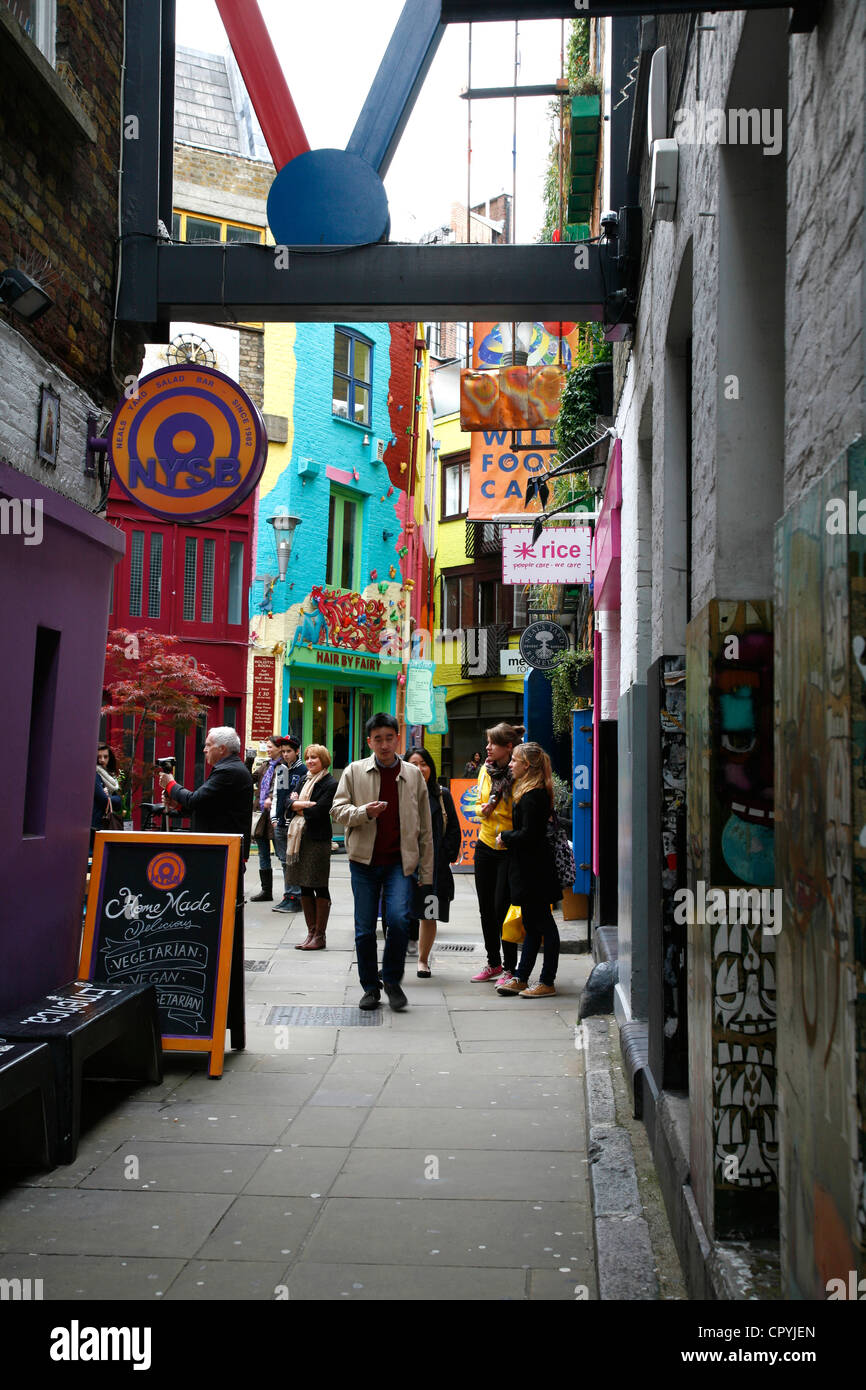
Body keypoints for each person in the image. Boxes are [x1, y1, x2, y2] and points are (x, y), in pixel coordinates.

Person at [158, 727, 255, 1047]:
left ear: (224, 749)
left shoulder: (229, 772)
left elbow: (198, 799)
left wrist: (171, 785)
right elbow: (206, 806)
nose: (204, 750)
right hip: (218, 857)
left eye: (208, 745)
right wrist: (178, 802)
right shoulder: (227, 770)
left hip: (221, 860)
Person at [331, 712, 433, 1012]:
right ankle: (370, 988)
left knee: (400, 922)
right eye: (378, 739)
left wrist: (426, 872)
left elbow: (426, 826)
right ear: (369, 742)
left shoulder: (412, 775)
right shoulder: (354, 771)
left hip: (399, 864)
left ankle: (391, 979)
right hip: (363, 862)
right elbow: (337, 810)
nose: (385, 745)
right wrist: (364, 812)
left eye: (389, 738)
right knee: (364, 929)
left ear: (397, 738)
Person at [495, 741, 560, 998]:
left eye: (514, 760)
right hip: (528, 867)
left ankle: (547, 981)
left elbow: (530, 834)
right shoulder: (529, 790)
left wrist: (505, 837)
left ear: (527, 765)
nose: (510, 764)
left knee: (543, 924)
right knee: (533, 924)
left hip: (534, 870)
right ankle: (522, 977)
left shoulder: (533, 795)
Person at [471, 721, 525, 985]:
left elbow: (521, 812)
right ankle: (492, 962)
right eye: (488, 742)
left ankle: (509, 968)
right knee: (485, 908)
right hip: (485, 844)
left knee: (503, 907)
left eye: (493, 743)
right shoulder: (485, 769)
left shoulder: (519, 774)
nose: (488, 747)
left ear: (508, 747)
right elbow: (477, 805)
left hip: (508, 848)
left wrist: (499, 811)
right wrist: (485, 809)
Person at [407, 748, 460, 978]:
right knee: (398, 914)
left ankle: (422, 960)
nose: (419, 769)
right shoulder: (399, 793)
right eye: (414, 764)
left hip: (434, 866)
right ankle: (392, 961)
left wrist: (443, 857)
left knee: (429, 913)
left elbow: (454, 830)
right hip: (405, 865)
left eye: (424, 764)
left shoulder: (441, 794)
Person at [284, 743, 338, 950]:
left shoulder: (330, 783)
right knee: (304, 884)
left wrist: (297, 805)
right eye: (307, 757)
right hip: (300, 839)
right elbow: (286, 805)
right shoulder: (304, 779)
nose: (310, 761)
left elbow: (320, 811)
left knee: (319, 884)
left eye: (314, 757)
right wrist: (298, 805)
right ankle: (310, 933)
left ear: (323, 760)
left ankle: (320, 936)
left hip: (317, 840)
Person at [271, 736, 307, 913]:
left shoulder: (303, 771)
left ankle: (296, 896)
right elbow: (280, 797)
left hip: (294, 821)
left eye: (289, 751)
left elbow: (299, 798)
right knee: (284, 861)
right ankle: (288, 894)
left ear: (297, 751)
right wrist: (275, 818)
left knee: (292, 860)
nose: (285, 755)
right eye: (283, 751)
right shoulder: (283, 770)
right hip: (281, 822)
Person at [251, 735, 285, 902]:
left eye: (270, 746)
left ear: (279, 748)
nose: (267, 749)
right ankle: (266, 891)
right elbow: (250, 779)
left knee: (281, 853)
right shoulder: (265, 765)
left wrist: (271, 797)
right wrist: (248, 762)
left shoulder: (284, 766)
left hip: (275, 814)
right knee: (263, 853)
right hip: (261, 814)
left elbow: (283, 788)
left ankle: (291, 892)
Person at [91, 743, 123, 851]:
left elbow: (119, 803)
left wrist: (109, 797)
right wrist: (111, 798)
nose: (102, 760)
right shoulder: (94, 775)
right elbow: (103, 800)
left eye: (105, 756)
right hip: (96, 825)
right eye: (99, 757)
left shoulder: (109, 777)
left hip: (104, 824)